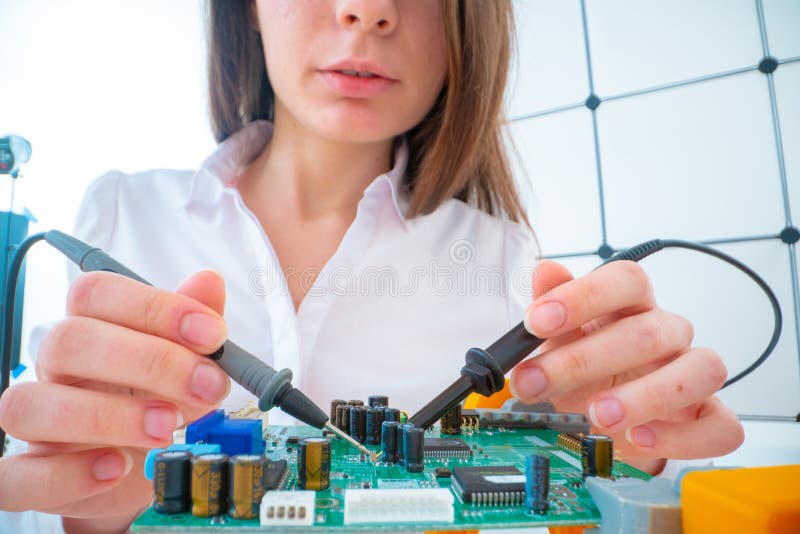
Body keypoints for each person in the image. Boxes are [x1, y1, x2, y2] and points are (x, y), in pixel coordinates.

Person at [0, 1, 744, 532]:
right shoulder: (119, 217)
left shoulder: (509, 263)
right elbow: (43, 494)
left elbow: (576, 494)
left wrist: (629, 449)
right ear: (247, 8)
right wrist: (78, 506)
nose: (367, 9)